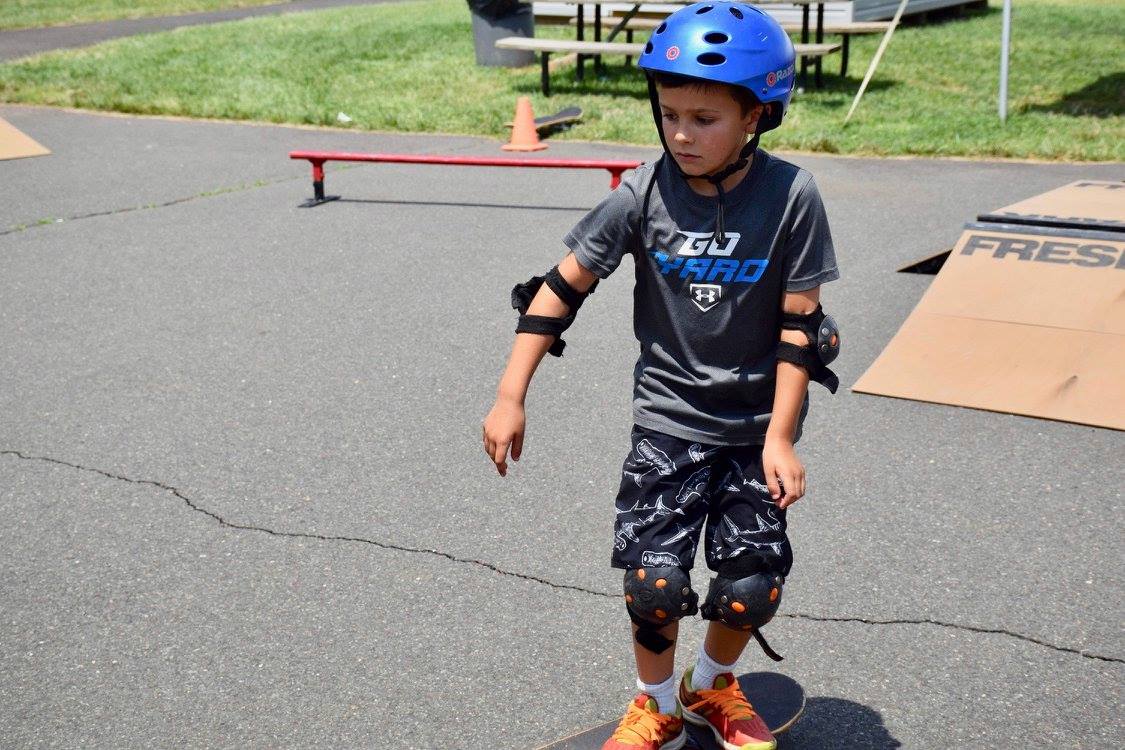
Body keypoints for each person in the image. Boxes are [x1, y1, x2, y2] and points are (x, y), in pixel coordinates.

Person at [482, 3, 840, 749]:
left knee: (747, 591)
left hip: (752, 430)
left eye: (704, 118)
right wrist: (509, 395)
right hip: (668, 423)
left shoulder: (791, 197)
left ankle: (708, 686)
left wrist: (780, 436)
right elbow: (558, 289)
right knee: (655, 587)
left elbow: (798, 327)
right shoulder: (642, 193)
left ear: (756, 116)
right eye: (670, 113)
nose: (681, 133)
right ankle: (654, 706)